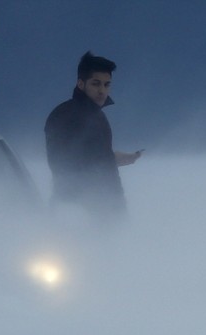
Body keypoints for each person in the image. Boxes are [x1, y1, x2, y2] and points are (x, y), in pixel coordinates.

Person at [44, 51, 142, 217]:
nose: (102, 91)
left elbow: (90, 158)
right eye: (96, 84)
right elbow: (65, 163)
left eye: (107, 84)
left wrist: (112, 158)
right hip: (79, 212)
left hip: (101, 209)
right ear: (81, 84)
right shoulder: (66, 116)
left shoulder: (94, 115)